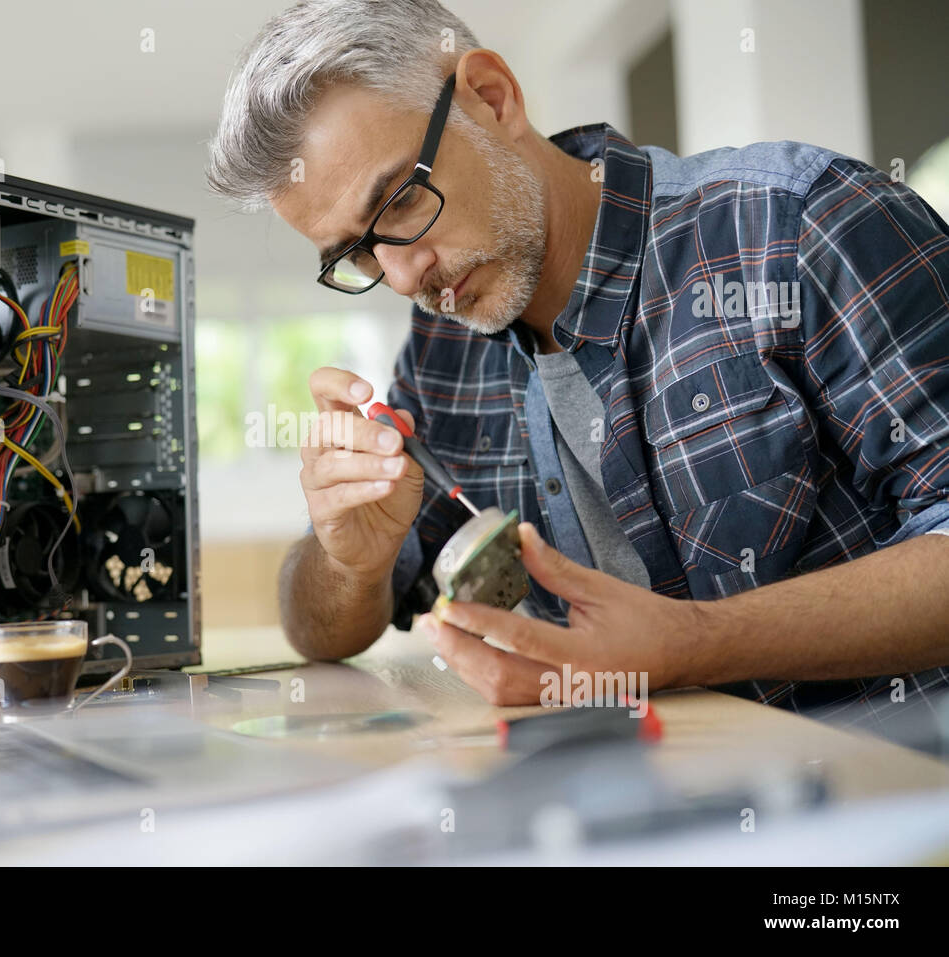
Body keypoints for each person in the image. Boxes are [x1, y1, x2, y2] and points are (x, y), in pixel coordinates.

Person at [205, 0, 949, 726]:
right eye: (356, 252)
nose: (403, 277)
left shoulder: (797, 225)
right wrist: (351, 561)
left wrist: (691, 644)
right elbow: (322, 633)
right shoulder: (444, 349)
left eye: (401, 200)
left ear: (492, 99)